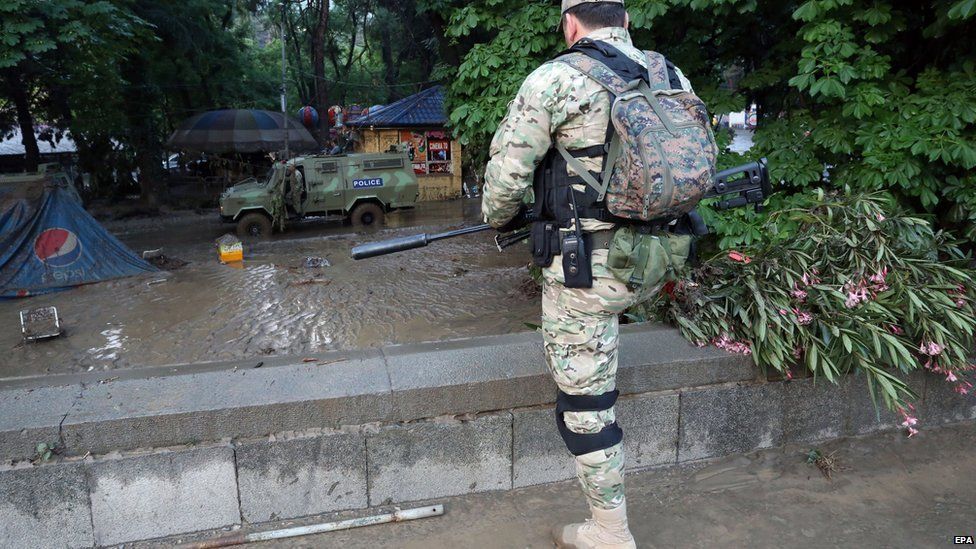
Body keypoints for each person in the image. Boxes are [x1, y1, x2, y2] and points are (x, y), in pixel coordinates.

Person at [482, 1, 703, 547]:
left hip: (589, 272)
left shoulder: (555, 79)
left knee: (585, 404)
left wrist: (501, 219)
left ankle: (608, 531)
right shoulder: (671, 73)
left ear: (571, 24)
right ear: (626, 22)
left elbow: (506, 179)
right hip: (659, 256)